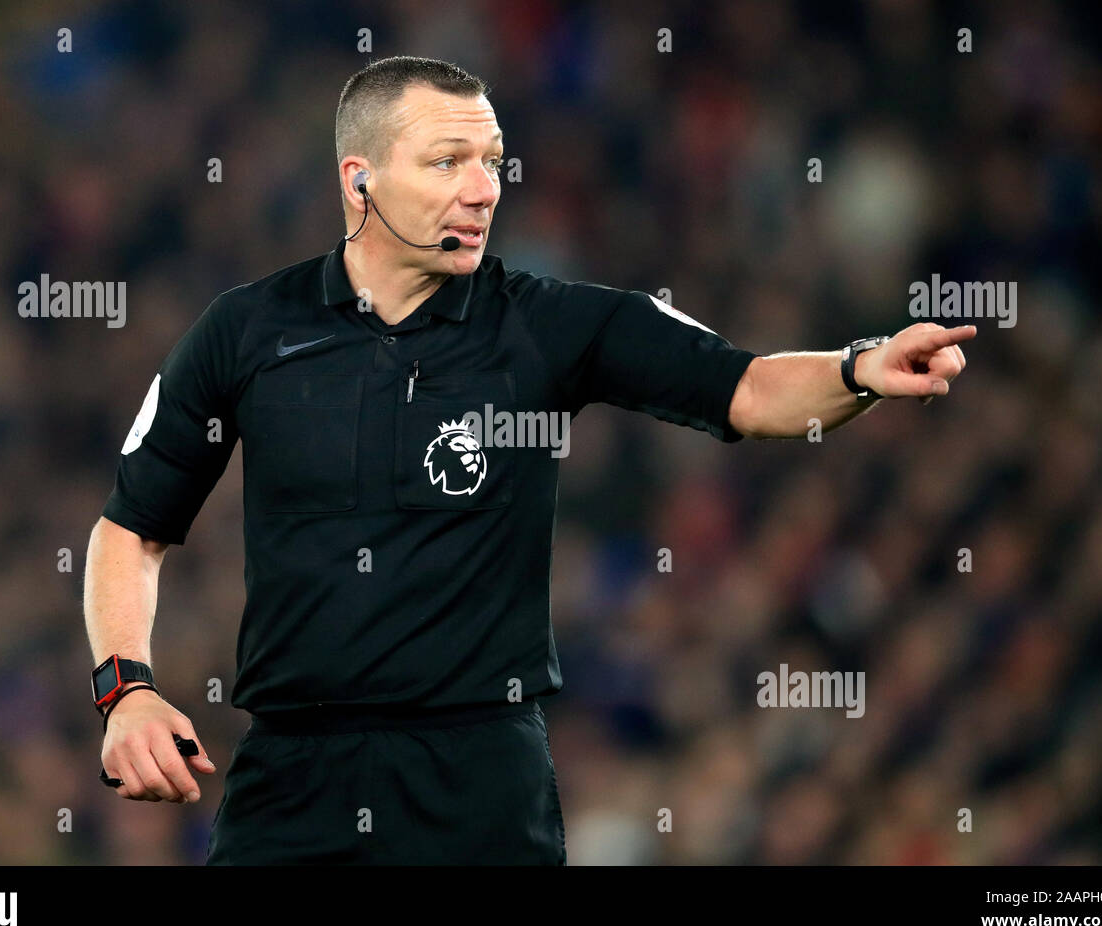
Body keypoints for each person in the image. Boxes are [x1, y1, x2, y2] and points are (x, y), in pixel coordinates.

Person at [82, 55, 974, 865]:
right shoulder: (245, 332)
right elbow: (132, 529)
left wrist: (860, 367)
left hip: (480, 786)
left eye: (492, 162)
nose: (481, 189)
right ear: (360, 180)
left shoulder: (550, 326)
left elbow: (745, 387)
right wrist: (126, 690)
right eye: (446, 162)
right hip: (292, 781)